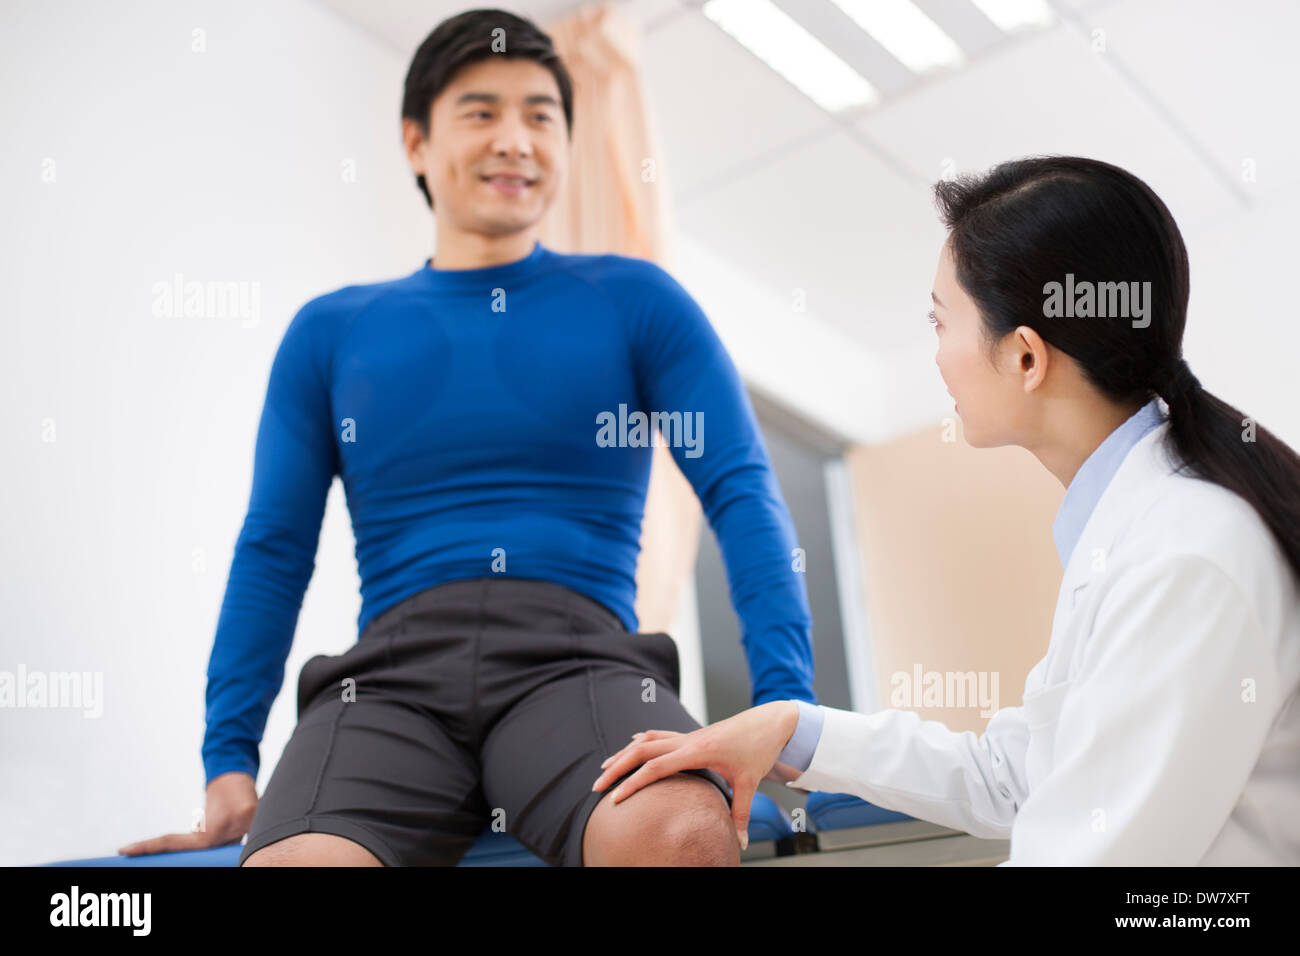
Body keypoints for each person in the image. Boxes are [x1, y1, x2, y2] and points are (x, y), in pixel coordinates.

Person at [117, 8, 815, 867]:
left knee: (678, 835)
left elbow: (741, 492)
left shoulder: (638, 302)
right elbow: (273, 549)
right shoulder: (331, 331)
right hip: (385, 687)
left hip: (585, 664)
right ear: (416, 142)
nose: (515, 139)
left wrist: (786, 703)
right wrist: (228, 762)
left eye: (541, 115)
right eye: (482, 113)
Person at [593, 156, 1300, 865]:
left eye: (940, 320)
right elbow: (1018, 775)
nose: (936, 355)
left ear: (1026, 358)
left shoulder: (1183, 557)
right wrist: (792, 728)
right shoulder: (1144, 531)